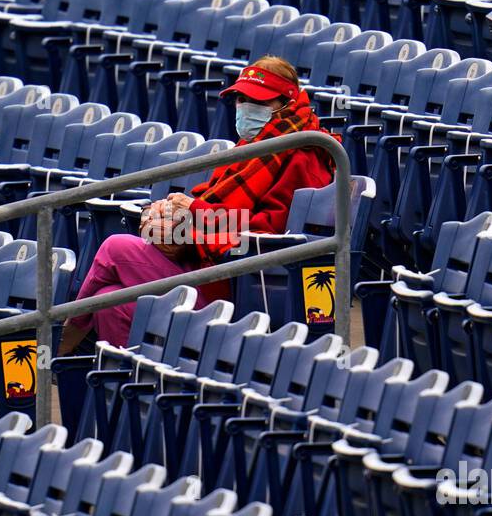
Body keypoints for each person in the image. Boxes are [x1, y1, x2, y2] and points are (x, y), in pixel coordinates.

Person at [58, 55, 339, 352]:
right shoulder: (257, 146)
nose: (244, 107)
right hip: (206, 264)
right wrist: (171, 213)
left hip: (233, 282)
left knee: (115, 247)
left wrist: (192, 215)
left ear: (286, 103)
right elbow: (210, 200)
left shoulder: (303, 155)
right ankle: (138, 386)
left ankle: (63, 338)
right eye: (240, 99)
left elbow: (268, 233)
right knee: (111, 303)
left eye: (257, 101)